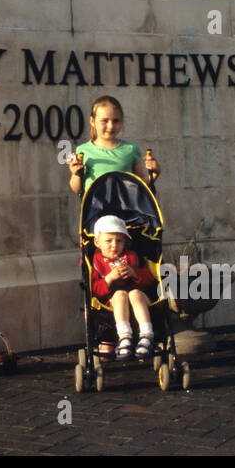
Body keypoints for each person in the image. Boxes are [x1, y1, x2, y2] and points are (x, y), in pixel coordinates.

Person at [91, 215, 158, 358]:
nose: (114, 245)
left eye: (119, 240)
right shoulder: (96, 262)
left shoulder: (132, 256)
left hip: (139, 298)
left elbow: (150, 280)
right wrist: (109, 278)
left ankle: (147, 334)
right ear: (97, 242)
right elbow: (94, 290)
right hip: (112, 302)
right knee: (120, 295)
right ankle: (124, 336)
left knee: (134, 293)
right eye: (109, 241)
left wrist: (135, 273)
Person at [67, 94, 151, 194]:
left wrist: (154, 174)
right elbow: (77, 189)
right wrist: (76, 174)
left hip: (125, 208)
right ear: (92, 121)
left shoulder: (131, 148)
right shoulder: (83, 150)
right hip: (96, 208)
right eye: (104, 121)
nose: (111, 126)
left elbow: (140, 182)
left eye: (116, 121)